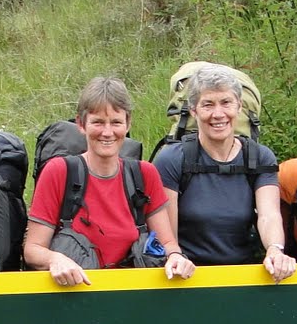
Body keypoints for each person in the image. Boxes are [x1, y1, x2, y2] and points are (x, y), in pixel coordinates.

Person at [24, 76, 195, 286]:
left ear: (128, 124)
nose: (107, 132)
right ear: (81, 124)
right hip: (75, 292)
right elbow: (33, 250)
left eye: (116, 122)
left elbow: (167, 243)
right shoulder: (59, 172)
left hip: (132, 292)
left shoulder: (145, 174)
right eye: (98, 122)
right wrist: (55, 259)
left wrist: (176, 257)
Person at [152, 64, 296, 282]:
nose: (218, 114)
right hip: (185, 276)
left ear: (239, 106)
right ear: (193, 110)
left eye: (226, 102)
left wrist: (275, 249)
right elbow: (167, 233)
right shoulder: (172, 159)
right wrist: (175, 256)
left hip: (243, 275)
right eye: (208, 104)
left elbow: (269, 215)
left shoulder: (259, 157)